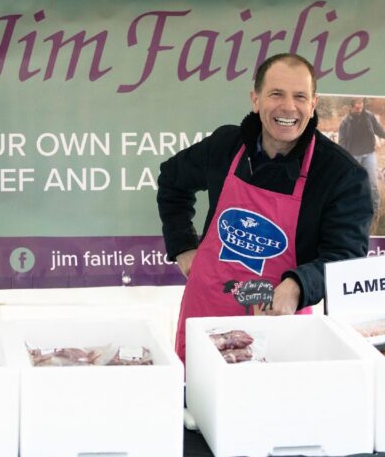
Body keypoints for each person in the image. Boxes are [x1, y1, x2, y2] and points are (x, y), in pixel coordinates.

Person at [157, 53, 373, 361]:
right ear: (255, 99)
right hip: (207, 311)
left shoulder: (340, 174)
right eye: (276, 94)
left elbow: (347, 257)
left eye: (300, 96)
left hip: (278, 325)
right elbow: (171, 182)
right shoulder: (225, 146)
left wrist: (299, 285)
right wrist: (182, 245)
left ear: (313, 104)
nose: (288, 107)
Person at [338, 97, 385, 213]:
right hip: (353, 156)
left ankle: (376, 211)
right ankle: (352, 210)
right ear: (351, 107)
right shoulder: (345, 122)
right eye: (357, 108)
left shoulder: (369, 116)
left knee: (373, 184)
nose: (359, 110)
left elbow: (378, 128)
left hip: (369, 154)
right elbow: (342, 142)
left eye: (361, 107)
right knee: (352, 185)